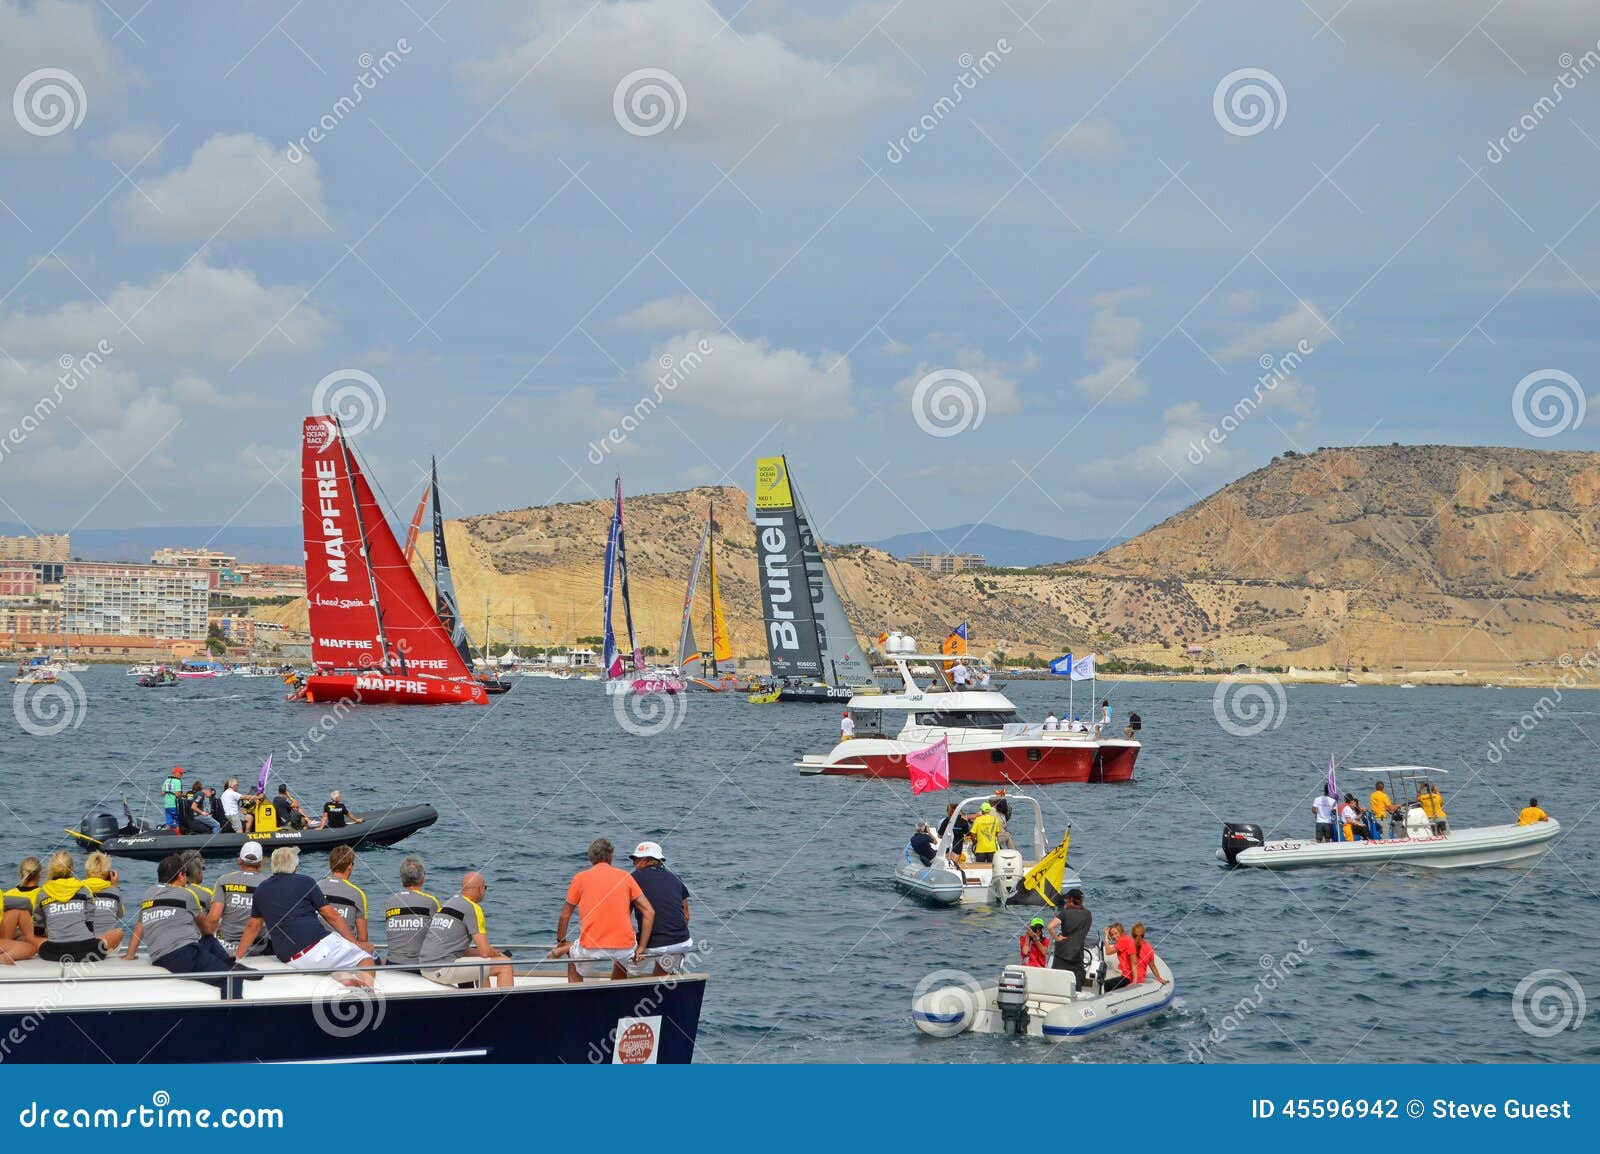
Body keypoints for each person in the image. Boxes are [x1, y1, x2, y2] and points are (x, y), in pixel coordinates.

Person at [233, 847, 374, 987]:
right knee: (365, 958)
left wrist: (238, 957)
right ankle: (369, 993)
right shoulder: (305, 882)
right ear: (295, 866)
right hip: (316, 947)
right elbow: (331, 916)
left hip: (290, 957)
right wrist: (354, 943)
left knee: (332, 959)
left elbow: (253, 926)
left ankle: (344, 978)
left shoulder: (261, 889)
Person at [124, 853, 247, 996]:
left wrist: (130, 955)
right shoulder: (186, 895)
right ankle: (231, 1013)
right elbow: (206, 929)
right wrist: (216, 925)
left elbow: (140, 925)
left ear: (159, 877)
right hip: (184, 955)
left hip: (159, 957)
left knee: (209, 941)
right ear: (181, 876)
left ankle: (231, 964)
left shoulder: (148, 894)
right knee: (233, 978)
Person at [549, 838, 655, 983]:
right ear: (611, 857)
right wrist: (642, 946)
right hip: (625, 946)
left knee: (573, 961)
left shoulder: (580, 878)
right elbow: (649, 911)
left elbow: (565, 915)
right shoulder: (626, 877)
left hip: (592, 947)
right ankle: (616, 997)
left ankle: (575, 998)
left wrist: (560, 941)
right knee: (621, 961)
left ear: (591, 858)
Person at [419, 871, 513, 988]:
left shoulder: (449, 903)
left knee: (482, 962)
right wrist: (497, 954)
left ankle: (485, 1001)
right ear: (481, 888)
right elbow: (485, 952)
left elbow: (461, 949)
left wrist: (491, 953)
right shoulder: (473, 908)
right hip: (441, 969)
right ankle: (503, 1005)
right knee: (505, 964)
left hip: (425, 967)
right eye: (486, 888)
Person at [34, 850, 124, 962]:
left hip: (54, 952)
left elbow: (38, 929)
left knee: (32, 936)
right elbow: (90, 925)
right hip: (85, 950)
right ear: (72, 869)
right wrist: (115, 887)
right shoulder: (83, 889)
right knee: (118, 932)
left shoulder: (42, 892)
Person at [627, 842, 694, 977]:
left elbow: (624, 916)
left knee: (620, 965)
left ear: (645, 860)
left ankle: (617, 996)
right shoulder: (676, 878)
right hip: (682, 941)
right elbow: (686, 915)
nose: (633, 863)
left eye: (635, 859)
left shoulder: (632, 879)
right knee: (661, 972)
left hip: (654, 944)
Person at [210, 842, 269, 956]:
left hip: (225, 944)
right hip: (256, 946)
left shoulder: (223, 880)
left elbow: (214, 918)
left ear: (239, 861)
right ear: (261, 863)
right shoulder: (268, 884)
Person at [384, 856, 441, 969]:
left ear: (402, 879)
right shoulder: (430, 901)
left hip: (392, 964)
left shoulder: (390, 902)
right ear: (422, 878)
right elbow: (441, 933)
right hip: (420, 966)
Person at [320, 844, 370, 946]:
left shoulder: (316, 887)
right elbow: (363, 938)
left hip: (318, 949)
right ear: (349, 867)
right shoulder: (358, 893)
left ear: (330, 864)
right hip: (345, 950)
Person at [1048, 888, 1092, 990]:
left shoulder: (1064, 913)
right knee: (1076, 985)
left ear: (1071, 900)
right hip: (1077, 955)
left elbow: (1050, 927)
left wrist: (1057, 938)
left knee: (1057, 983)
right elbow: (1085, 930)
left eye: (1067, 899)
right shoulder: (1088, 914)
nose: (1065, 901)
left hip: (1062, 953)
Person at [1, 857, 42, 964]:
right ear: (40, 874)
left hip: (10, 932)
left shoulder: (8, 894)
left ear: (21, 873)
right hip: (30, 931)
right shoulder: (43, 894)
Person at [82, 852, 125, 952]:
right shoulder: (114, 891)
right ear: (107, 872)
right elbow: (120, 915)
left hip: (83, 943)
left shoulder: (78, 889)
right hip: (107, 946)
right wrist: (115, 887)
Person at [1125, 922, 1168, 986]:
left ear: (1132, 934)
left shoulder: (1131, 945)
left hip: (1129, 979)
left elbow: (1134, 964)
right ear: (1144, 935)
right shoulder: (1149, 947)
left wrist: (1134, 981)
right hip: (1141, 979)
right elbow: (1152, 966)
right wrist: (1159, 978)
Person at [1100, 924, 1133, 991]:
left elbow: (1108, 952)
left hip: (1128, 977)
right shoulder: (1125, 938)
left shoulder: (1123, 941)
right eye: (1112, 934)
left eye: (1116, 933)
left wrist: (1106, 937)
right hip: (1128, 974)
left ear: (1121, 931)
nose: (1114, 936)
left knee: (1102, 986)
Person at [161, 766, 185, 833]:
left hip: (167, 805)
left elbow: (162, 793)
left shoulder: (166, 780)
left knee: (169, 823)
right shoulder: (177, 781)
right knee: (178, 822)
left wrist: (169, 792)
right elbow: (177, 794)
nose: (181, 775)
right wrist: (183, 795)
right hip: (174, 805)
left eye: (182, 773)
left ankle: (167, 835)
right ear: (175, 773)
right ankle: (179, 837)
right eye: (180, 773)